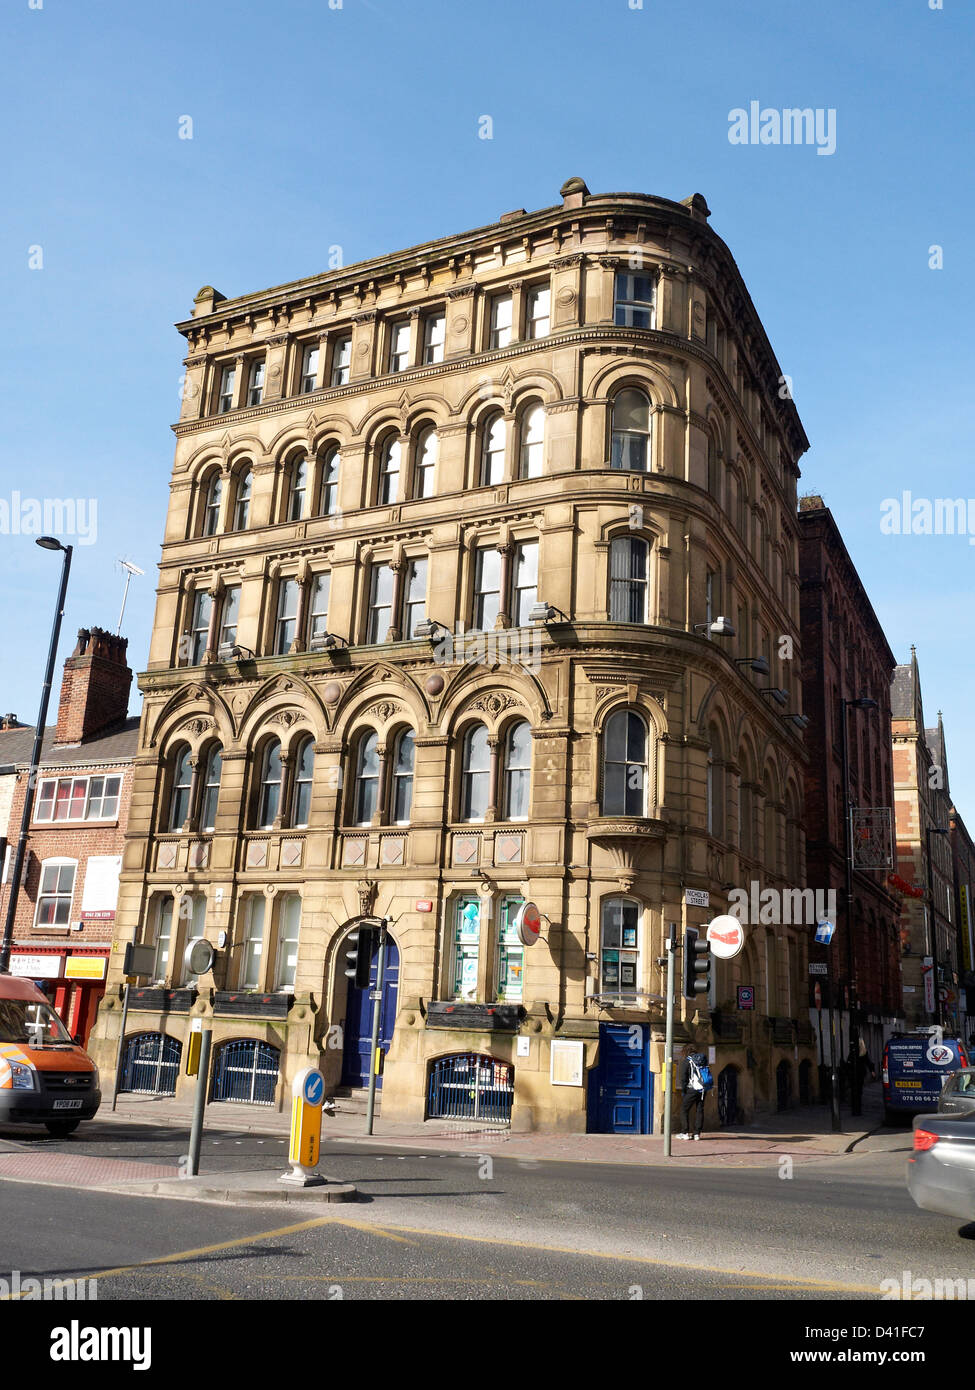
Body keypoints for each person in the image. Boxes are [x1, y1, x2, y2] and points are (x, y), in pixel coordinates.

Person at [677, 1046, 708, 1140]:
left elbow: (684, 1078)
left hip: (692, 1089)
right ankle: (697, 1134)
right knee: (699, 1110)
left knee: (684, 1109)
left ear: (685, 1052)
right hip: (703, 1089)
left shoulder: (687, 1061)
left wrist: (684, 1091)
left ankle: (685, 1132)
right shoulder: (702, 1060)